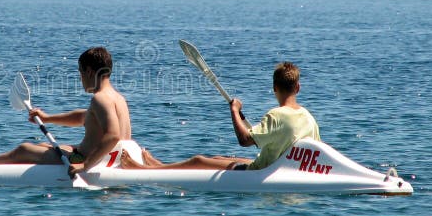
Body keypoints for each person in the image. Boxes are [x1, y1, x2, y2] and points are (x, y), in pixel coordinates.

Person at [0, 47, 132, 179]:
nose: (80, 78)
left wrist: (85, 166)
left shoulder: (100, 98)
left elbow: (113, 135)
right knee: (42, 145)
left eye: (80, 73)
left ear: (89, 71)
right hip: (109, 158)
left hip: (90, 159)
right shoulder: (117, 98)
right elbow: (84, 117)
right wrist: (47, 118)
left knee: (24, 149)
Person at [122, 61, 319, 171]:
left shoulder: (276, 115)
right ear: (298, 87)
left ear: (274, 88)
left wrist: (234, 111)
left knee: (198, 161)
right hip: (280, 166)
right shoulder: (308, 117)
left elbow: (245, 140)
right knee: (220, 158)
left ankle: (146, 170)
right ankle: (161, 165)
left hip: (263, 172)